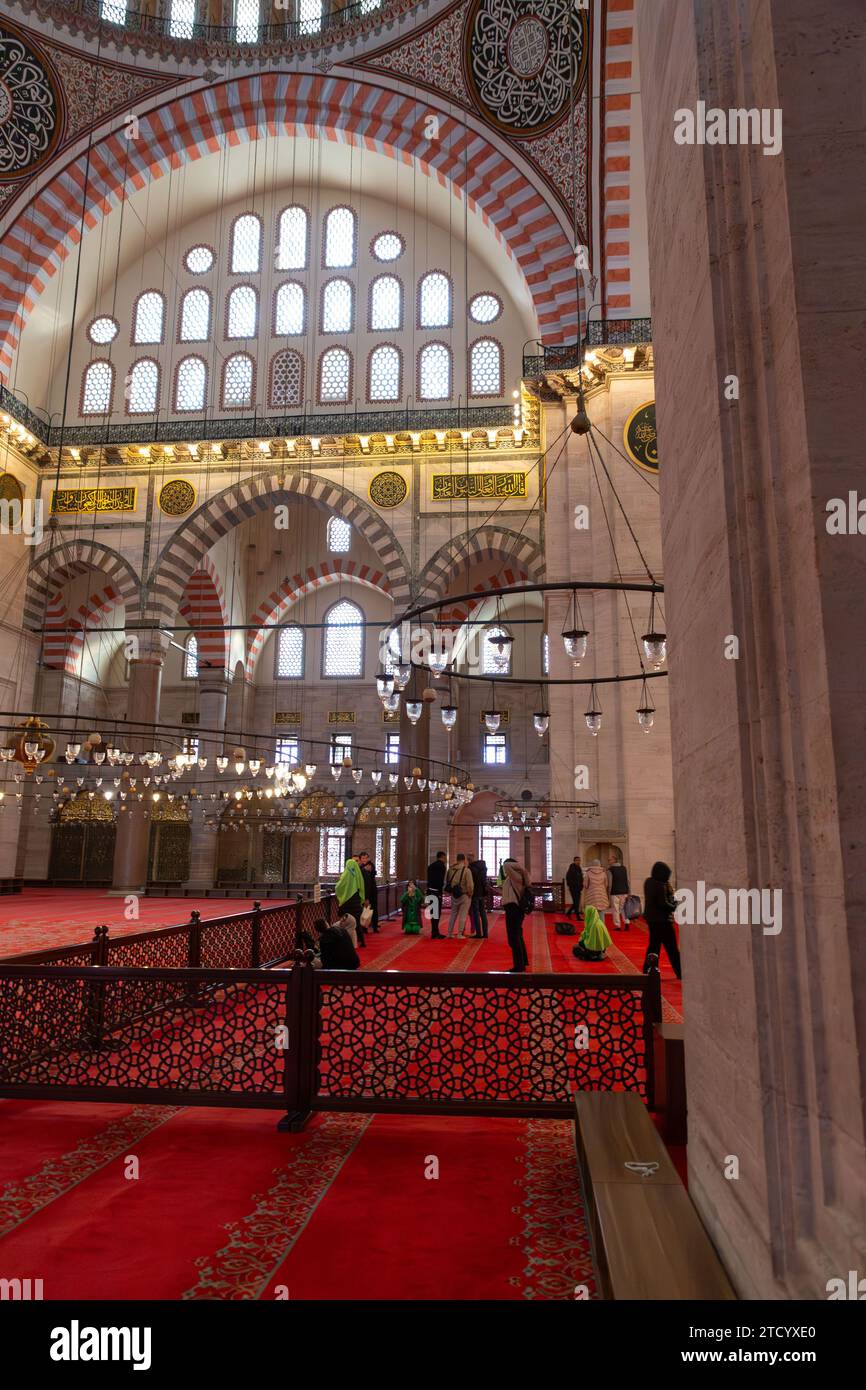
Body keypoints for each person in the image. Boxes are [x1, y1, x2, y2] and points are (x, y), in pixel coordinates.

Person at [642, 861, 682, 979]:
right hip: (662, 921)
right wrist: (675, 906)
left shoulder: (648, 882)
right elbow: (662, 903)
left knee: (654, 946)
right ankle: (679, 971)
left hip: (652, 919)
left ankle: (648, 970)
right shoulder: (659, 885)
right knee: (672, 948)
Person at [498, 857, 530, 972]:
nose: (505, 869)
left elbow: (506, 866)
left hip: (514, 909)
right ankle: (523, 961)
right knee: (518, 936)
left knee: (513, 938)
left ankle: (519, 966)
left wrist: (508, 863)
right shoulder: (514, 878)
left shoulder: (517, 876)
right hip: (513, 909)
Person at [334, 853, 366, 944]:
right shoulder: (358, 875)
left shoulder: (346, 875)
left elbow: (338, 887)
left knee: (345, 922)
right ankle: (361, 941)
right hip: (356, 903)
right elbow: (361, 888)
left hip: (347, 903)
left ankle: (346, 941)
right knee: (357, 923)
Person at [446, 853, 474, 937]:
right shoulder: (466, 870)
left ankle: (449, 933)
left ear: (457, 859)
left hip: (454, 894)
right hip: (464, 894)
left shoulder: (451, 869)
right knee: (463, 914)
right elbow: (470, 885)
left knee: (453, 914)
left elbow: (447, 881)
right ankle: (459, 933)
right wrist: (470, 894)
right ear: (464, 860)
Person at [426, 850, 447, 939]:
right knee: (437, 913)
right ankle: (435, 932)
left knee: (432, 913)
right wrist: (441, 889)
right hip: (436, 892)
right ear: (442, 856)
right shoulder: (442, 866)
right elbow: (440, 880)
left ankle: (434, 931)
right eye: (445, 857)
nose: (446, 859)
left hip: (430, 891)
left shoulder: (431, 866)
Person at [608, 854, 631, 931]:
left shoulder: (611, 869)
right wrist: (629, 891)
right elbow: (627, 881)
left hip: (615, 891)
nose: (609, 861)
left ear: (614, 860)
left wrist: (608, 892)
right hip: (624, 891)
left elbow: (610, 882)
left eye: (610, 860)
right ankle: (627, 922)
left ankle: (618, 926)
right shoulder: (624, 868)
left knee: (616, 909)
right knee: (624, 908)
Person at [359, 851, 380, 932]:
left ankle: (375, 926)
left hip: (372, 891)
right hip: (364, 891)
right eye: (363, 858)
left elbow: (373, 873)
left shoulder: (371, 865)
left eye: (366, 858)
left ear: (368, 858)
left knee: (374, 909)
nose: (364, 860)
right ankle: (364, 927)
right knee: (365, 909)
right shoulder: (360, 867)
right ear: (361, 859)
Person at [468, 856, 489, 939]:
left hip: (475, 893)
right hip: (482, 893)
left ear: (469, 860)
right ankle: (485, 933)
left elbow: (470, 882)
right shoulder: (483, 867)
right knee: (483, 913)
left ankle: (478, 933)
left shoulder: (470, 868)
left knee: (476, 914)